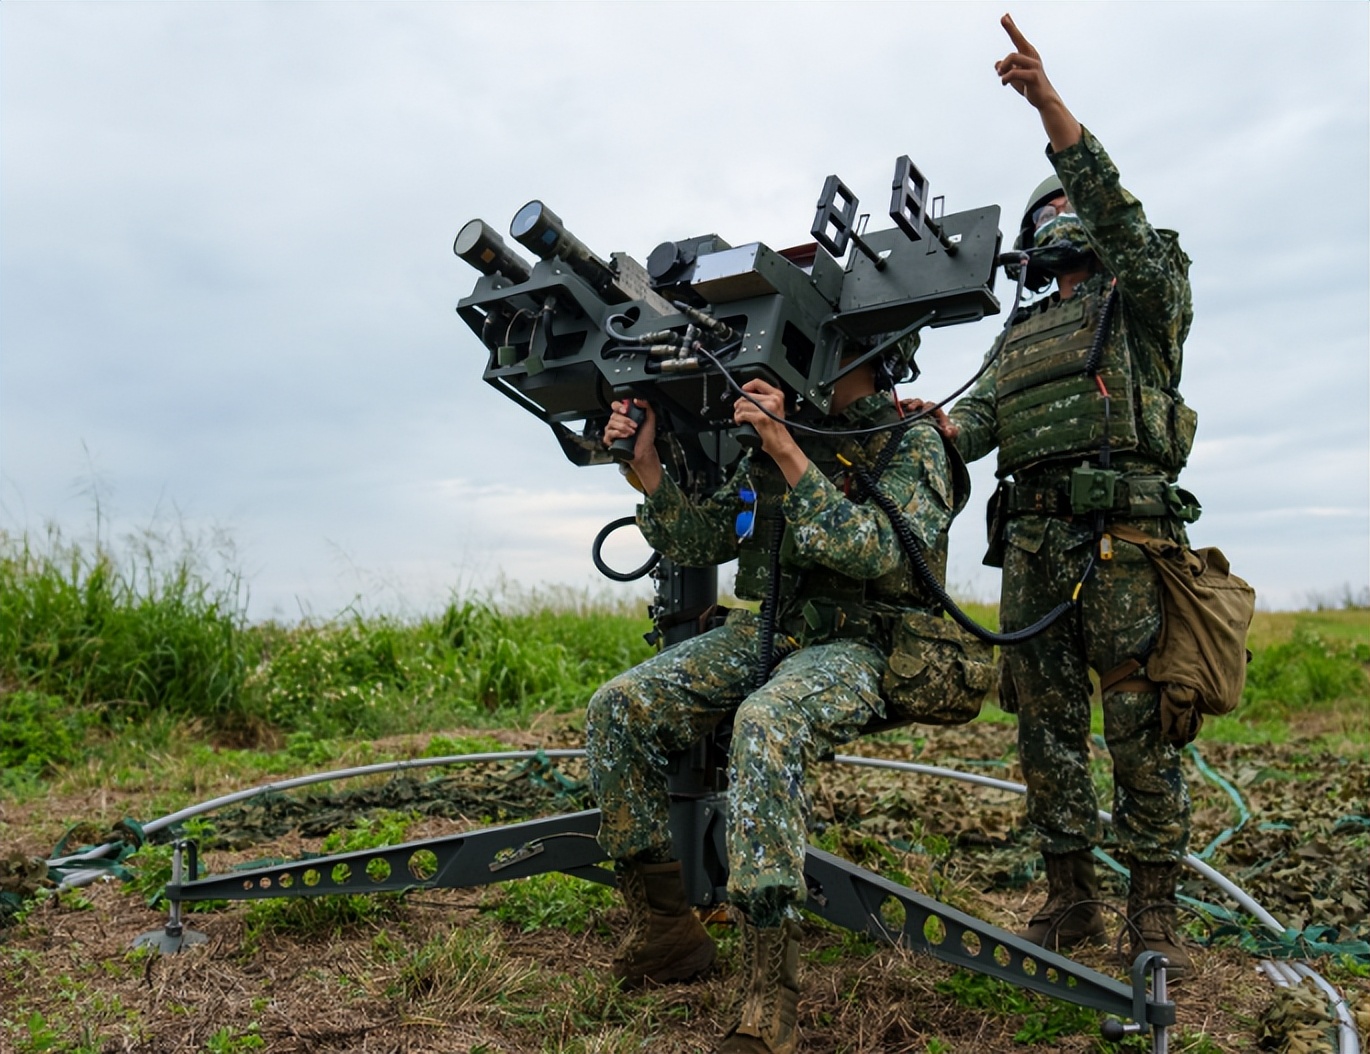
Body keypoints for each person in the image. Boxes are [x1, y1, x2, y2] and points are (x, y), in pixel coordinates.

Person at [584, 340, 968, 1054]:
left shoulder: (911, 440)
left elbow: (876, 551)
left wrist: (788, 447)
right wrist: (648, 472)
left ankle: (768, 996)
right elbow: (704, 542)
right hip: (771, 630)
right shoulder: (772, 440)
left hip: (863, 645)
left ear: (869, 353)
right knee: (619, 706)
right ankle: (667, 931)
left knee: (767, 719)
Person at [933, 14, 1199, 976]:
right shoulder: (1021, 336)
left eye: (1063, 215)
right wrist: (898, 425)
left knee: (1137, 727)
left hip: (1124, 545)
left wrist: (1049, 106)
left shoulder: (1145, 303)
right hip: (1036, 554)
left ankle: (1155, 912)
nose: (1056, 234)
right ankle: (1071, 899)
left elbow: (1122, 218)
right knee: (1045, 730)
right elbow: (967, 430)